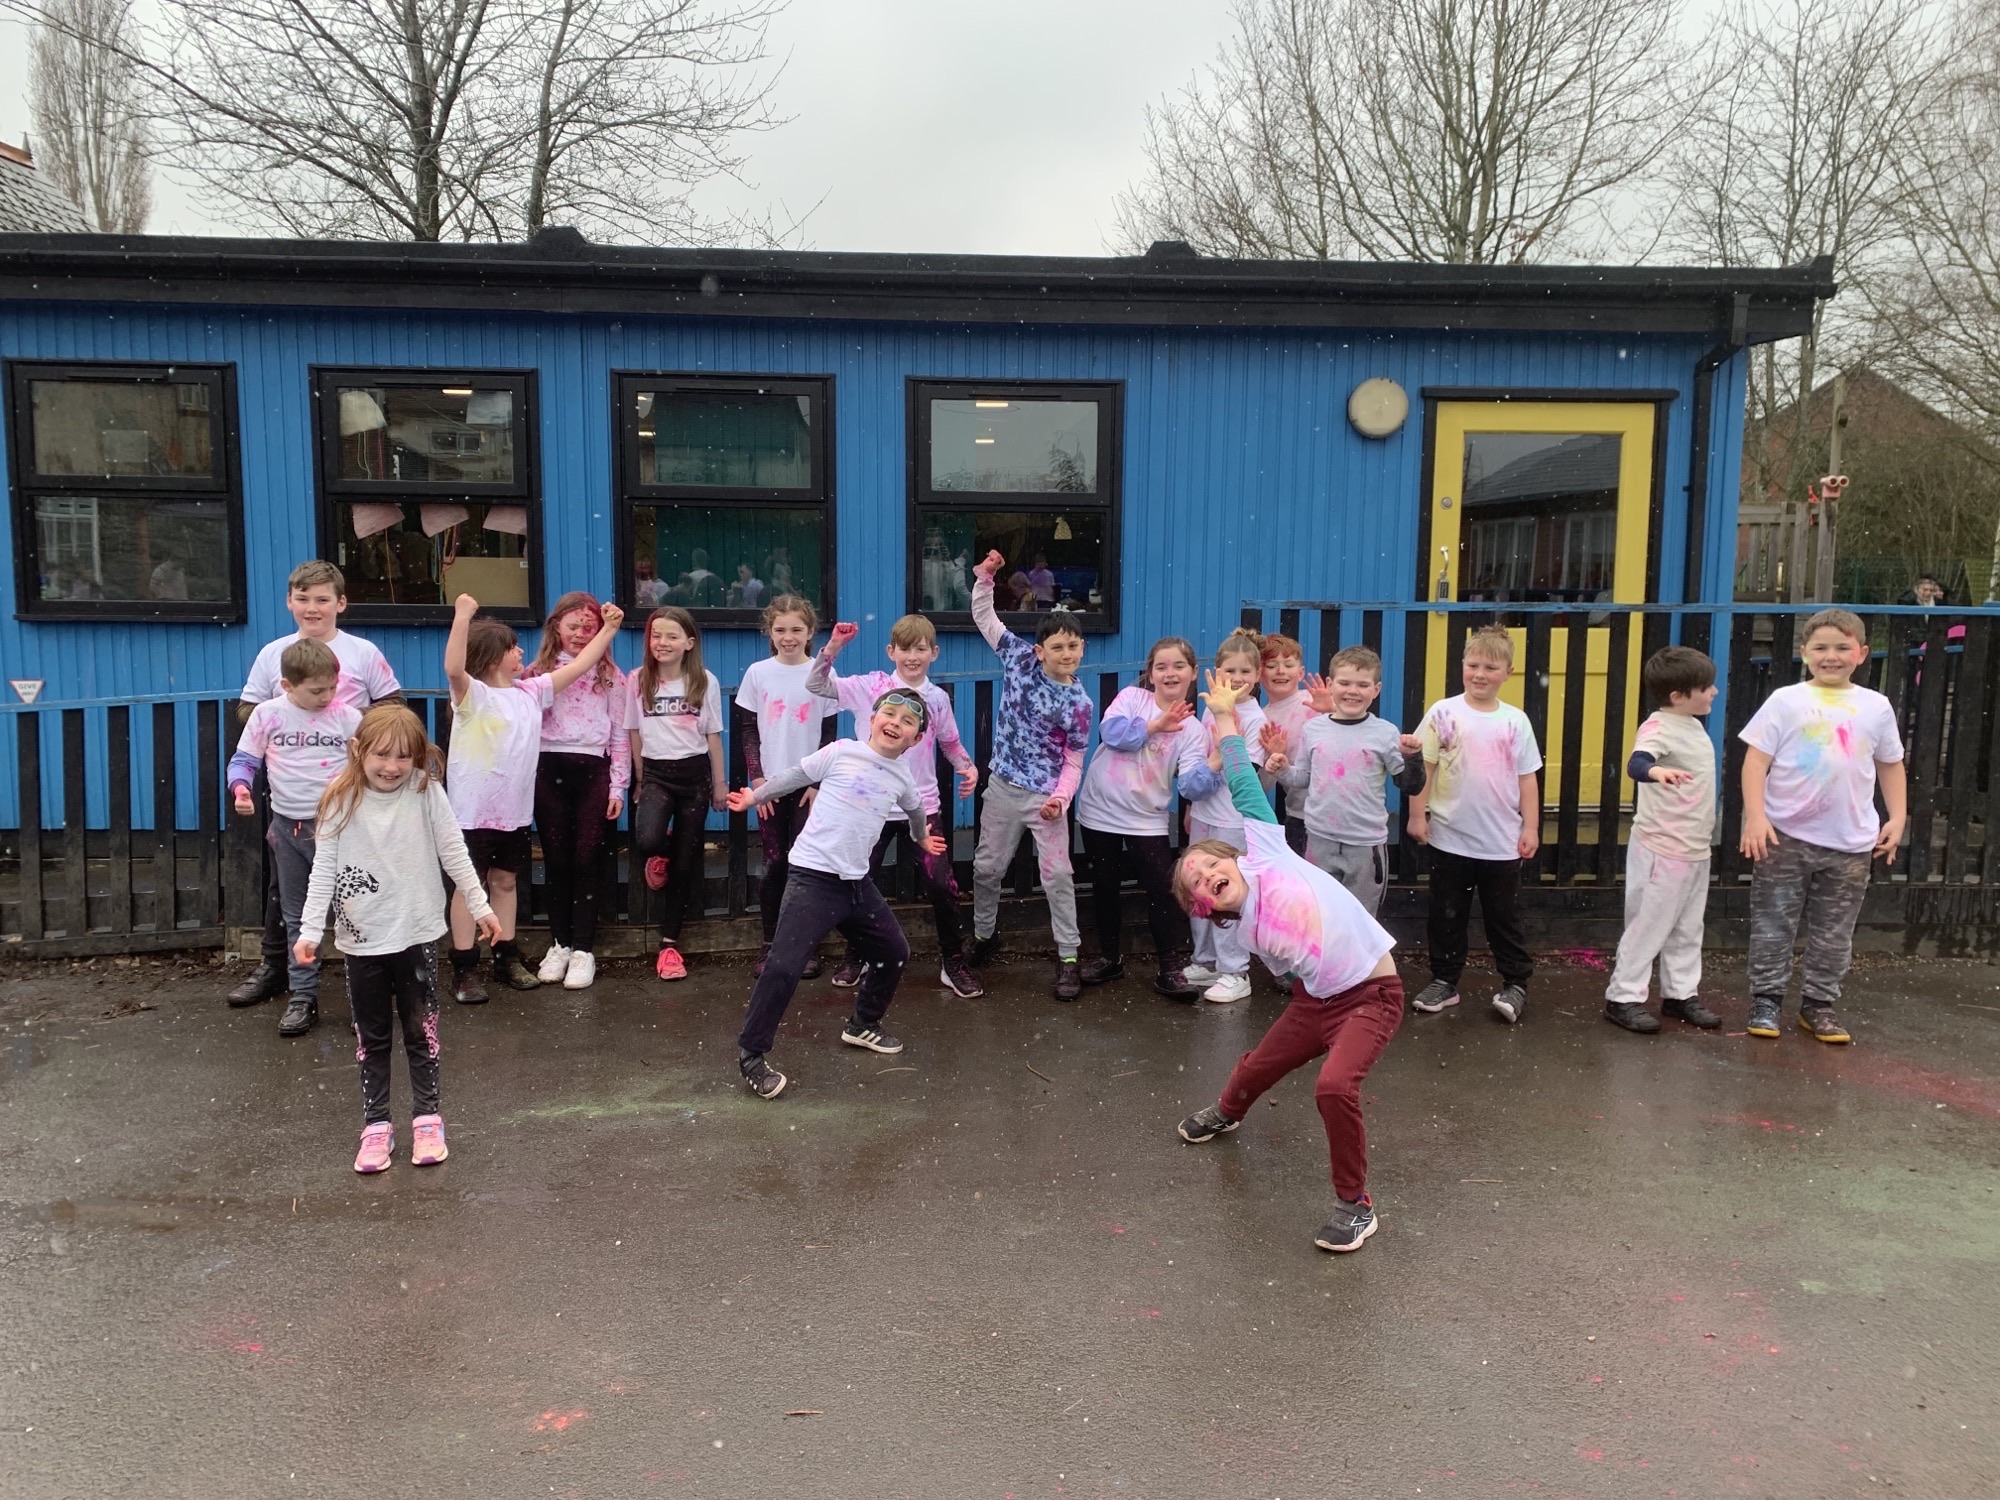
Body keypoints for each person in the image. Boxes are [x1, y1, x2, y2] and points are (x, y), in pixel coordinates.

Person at [1171, 671, 1404, 1254]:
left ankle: (1355, 1206)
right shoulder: (1244, 929)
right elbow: (1293, 967)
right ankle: (1228, 1112)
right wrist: (1305, 991)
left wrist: (1224, 716)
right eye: (1196, 882)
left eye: (1209, 863)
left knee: (1334, 1087)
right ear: (1202, 905)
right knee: (1256, 1068)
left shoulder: (1267, 853)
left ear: (1232, 856)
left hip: (1372, 995)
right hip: (1315, 1001)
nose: (1207, 875)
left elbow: (1242, 780)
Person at [296, 705, 499, 1173]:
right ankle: (376, 1126)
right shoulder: (339, 799)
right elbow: (323, 870)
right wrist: (309, 930)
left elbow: (454, 850)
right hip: (361, 940)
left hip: (416, 934)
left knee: (420, 1032)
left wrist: (480, 904)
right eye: (382, 754)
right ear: (357, 750)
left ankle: (427, 1119)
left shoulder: (426, 791)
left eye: (403, 756)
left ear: (418, 757)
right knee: (371, 1038)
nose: (392, 766)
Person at [725, 690, 942, 1099]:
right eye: (889, 713)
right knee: (784, 967)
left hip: (857, 884)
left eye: (907, 721)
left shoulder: (902, 778)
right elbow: (795, 775)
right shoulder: (842, 751)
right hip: (813, 878)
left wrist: (921, 838)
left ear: (915, 739)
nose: (895, 722)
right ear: (872, 720)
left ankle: (862, 1024)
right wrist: (756, 795)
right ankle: (751, 1055)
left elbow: (916, 810)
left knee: (894, 952)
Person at [227, 560, 402, 1013]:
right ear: (289, 602)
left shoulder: (363, 652)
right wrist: (292, 712)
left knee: (359, 895)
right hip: (291, 801)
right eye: (302, 599)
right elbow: (248, 711)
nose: (312, 608)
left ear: (340, 603)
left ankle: (371, 986)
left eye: (322, 599)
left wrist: (349, 721)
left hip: (349, 800)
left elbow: (394, 708)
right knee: (285, 897)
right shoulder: (273, 653)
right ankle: (278, 971)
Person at [444, 593, 622, 1004]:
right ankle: (465, 967)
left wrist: (610, 629)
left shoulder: (532, 691)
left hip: (515, 813)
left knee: (505, 883)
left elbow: (581, 665)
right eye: (512, 648)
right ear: (493, 658)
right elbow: (454, 667)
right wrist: (462, 617)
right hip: (472, 814)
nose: (520, 652)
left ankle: (505, 957)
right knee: (469, 887)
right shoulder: (472, 696)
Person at [1739, 608, 1907, 1043]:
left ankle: (1818, 1004)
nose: (1831, 656)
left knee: (1834, 932)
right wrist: (1755, 816)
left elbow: (1890, 764)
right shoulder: (1785, 701)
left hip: (1851, 843)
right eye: (1821, 647)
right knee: (1773, 923)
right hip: (1783, 836)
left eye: (1842, 647)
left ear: (1861, 653)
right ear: (1804, 652)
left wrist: (1898, 817)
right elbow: (1755, 761)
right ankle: (1766, 999)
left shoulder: (1876, 707)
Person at [809, 613, 982, 997]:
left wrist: (967, 767)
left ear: (934, 653)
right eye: (905, 649)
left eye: (920, 649)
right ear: (891, 651)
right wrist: (834, 646)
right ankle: (858, 952)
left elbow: (950, 743)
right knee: (854, 883)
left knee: (942, 886)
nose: (912, 656)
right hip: (868, 808)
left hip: (922, 807)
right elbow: (817, 684)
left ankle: (953, 961)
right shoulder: (870, 686)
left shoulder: (937, 700)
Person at [965, 549, 1096, 999]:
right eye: (1057, 646)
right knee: (987, 868)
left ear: (1082, 649)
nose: (1066, 653)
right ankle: (984, 935)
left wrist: (1060, 798)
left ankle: (1069, 956)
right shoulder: (1019, 659)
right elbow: (985, 618)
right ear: (1040, 651)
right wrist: (985, 578)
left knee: (1057, 876)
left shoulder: (1080, 705)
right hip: (1002, 787)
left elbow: (1074, 760)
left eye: (1073, 646)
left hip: (1046, 799)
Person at [1405, 624, 1543, 1024]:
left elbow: (1527, 778)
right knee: (1446, 915)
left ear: (1508, 673)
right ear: (1462, 665)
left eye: (1491, 667)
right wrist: (1417, 814)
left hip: (1501, 842)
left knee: (1505, 919)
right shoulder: (1443, 712)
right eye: (1473, 665)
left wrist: (1530, 827)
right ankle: (1444, 981)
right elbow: (1425, 767)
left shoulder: (1515, 721)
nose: (1480, 674)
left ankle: (1515, 984)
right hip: (1450, 839)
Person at [225, 638, 362, 1037]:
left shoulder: (348, 717)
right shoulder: (267, 715)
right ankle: (303, 996)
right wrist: (240, 788)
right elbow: (244, 759)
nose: (327, 697)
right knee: (297, 917)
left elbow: (369, 765)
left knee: (355, 913)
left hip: (343, 828)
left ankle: (364, 997)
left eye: (332, 687)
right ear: (287, 686)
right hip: (289, 830)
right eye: (317, 690)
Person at [1074, 636, 1213, 998]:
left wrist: (1216, 762)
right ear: (1150, 674)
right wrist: (1155, 726)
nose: (1170, 673)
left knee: (1162, 890)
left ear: (1193, 672)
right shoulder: (1133, 698)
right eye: (1161, 667)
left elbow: (1191, 784)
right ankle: (1110, 959)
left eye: (1179, 666)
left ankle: (1169, 968)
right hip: (1100, 811)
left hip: (1146, 819)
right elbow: (1110, 733)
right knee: (1104, 885)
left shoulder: (1194, 730)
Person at [1603, 646, 1723, 1034]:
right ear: (1678, 696)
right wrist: (1656, 772)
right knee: (1648, 925)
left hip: (1694, 848)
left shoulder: (1692, 725)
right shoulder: (1658, 726)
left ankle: (1680, 994)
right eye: (1706, 687)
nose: (1714, 692)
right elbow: (1637, 763)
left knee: (1688, 927)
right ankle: (1623, 997)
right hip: (1662, 848)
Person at [524, 592, 630, 993]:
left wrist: (618, 785)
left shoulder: (611, 677)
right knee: (556, 859)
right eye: (574, 626)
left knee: (587, 858)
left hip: (592, 771)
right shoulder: (536, 673)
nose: (581, 634)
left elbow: (620, 735)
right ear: (556, 627)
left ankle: (584, 948)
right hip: (547, 769)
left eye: (590, 627)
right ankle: (560, 944)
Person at [1277, 647, 1428, 916]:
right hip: (1319, 840)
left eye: (1363, 685)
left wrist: (1413, 757)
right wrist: (1282, 769)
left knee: (1360, 920)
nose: (1353, 691)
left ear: (1376, 689)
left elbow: (1410, 785)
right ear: (1330, 684)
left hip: (1365, 846)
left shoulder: (1385, 733)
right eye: (1345, 683)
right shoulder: (1313, 729)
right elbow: (1303, 779)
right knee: (1321, 917)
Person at [736, 595, 836, 979]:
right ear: (770, 632)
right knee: (774, 863)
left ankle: (805, 945)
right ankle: (771, 943)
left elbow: (828, 733)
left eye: (797, 629)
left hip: (808, 786)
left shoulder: (822, 673)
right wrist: (759, 781)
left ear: (810, 632)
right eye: (780, 629)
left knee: (805, 865)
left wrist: (819, 781)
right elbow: (748, 730)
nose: (788, 637)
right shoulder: (758, 673)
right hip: (772, 785)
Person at [1183, 628, 1284, 1004]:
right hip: (1205, 815)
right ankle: (1205, 960)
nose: (1237, 678)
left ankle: (1235, 970)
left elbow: (1245, 774)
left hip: (1232, 821)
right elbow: (1201, 763)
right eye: (1230, 671)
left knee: (1226, 893)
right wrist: (1191, 807)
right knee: (1199, 887)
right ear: (1216, 672)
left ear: (1257, 675)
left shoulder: (1255, 719)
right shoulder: (1211, 708)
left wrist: (1229, 743)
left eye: (1245, 672)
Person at [628, 605, 727, 981]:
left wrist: (719, 784)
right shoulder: (639, 680)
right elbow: (634, 731)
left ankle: (669, 946)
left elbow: (712, 735)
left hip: (694, 777)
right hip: (656, 774)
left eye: (672, 636)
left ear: (689, 643)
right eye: (656, 635)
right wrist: (640, 779)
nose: (662, 642)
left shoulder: (703, 680)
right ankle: (661, 854)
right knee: (648, 838)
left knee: (685, 862)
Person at [1258, 633, 1316, 854]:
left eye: (1288, 665)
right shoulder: (1261, 721)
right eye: (1271, 666)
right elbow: (1263, 786)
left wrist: (1331, 710)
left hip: (1341, 814)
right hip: (1300, 816)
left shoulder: (1319, 699)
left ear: (1300, 672)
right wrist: (1273, 759)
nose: (1280, 671)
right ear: (1259, 674)